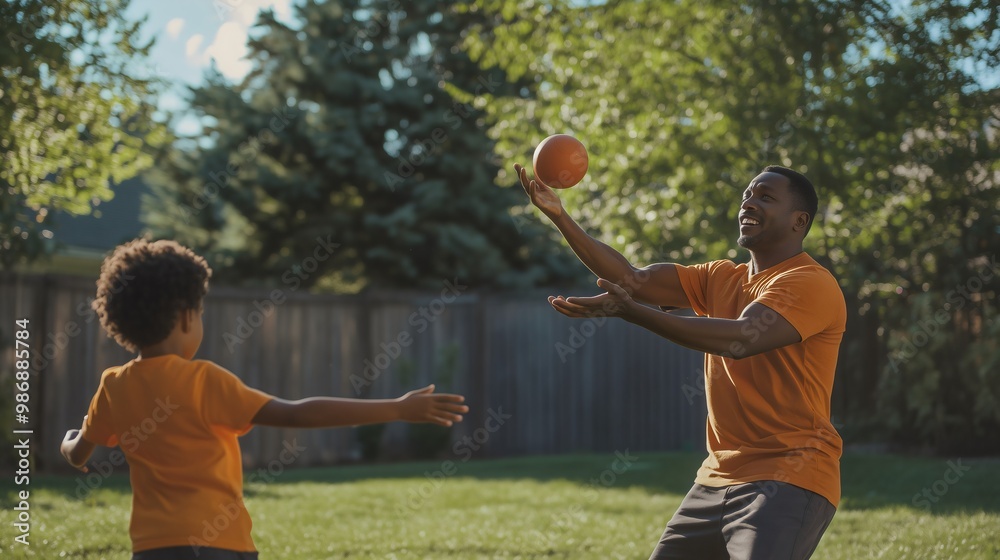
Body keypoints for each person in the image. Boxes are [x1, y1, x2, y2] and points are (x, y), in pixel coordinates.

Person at [513, 162, 845, 560]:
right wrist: (560, 217)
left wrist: (634, 313)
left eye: (765, 197)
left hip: (789, 475)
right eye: (747, 195)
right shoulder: (721, 277)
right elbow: (631, 278)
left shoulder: (809, 282)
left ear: (799, 221)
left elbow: (742, 338)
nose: (748, 203)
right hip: (715, 478)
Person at [60, 239, 468, 560]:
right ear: (186, 316)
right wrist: (396, 407)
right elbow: (296, 413)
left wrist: (69, 437)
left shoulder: (113, 386)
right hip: (222, 544)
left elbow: (79, 454)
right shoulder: (203, 379)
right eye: (200, 312)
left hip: (152, 549)